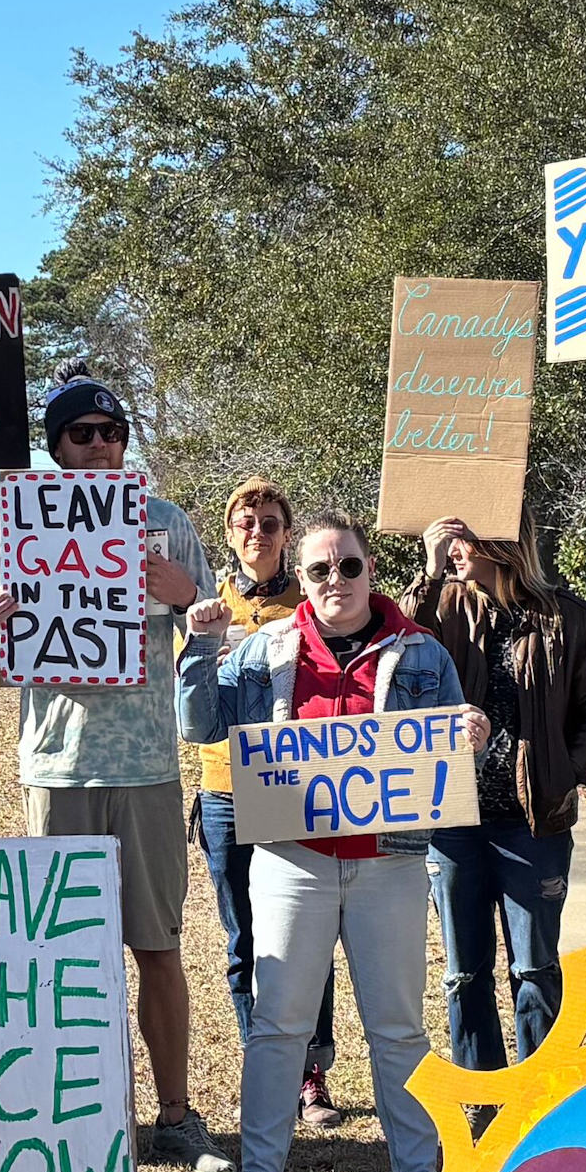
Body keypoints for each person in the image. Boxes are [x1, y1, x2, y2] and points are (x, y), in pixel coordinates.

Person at [179, 509, 468, 1172]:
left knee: (398, 1027)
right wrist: (200, 648)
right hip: (291, 859)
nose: (335, 579)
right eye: (319, 569)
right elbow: (200, 725)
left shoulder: (423, 654)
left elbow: (452, 753)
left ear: (371, 570)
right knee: (278, 1024)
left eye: (348, 565)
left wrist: (474, 736)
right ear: (301, 579)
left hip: (389, 863)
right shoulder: (263, 650)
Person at [0, 380, 210, 1166]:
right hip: (57, 769)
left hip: (147, 769)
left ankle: (174, 1115)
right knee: (59, 958)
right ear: (55, 446)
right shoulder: (21, 528)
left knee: (157, 947)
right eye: (81, 432)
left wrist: (185, 595)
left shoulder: (164, 522)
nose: (100, 443)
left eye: (111, 430)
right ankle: (75, 1120)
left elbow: (212, 631)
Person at [408, 510, 586, 1070]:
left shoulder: (570, 619)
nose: (454, 548)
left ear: (500, 540)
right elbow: (401, 647)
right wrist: (428, 572)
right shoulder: (445, 606)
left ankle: (539, 1097)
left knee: (535, 969)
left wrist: (565, 772)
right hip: (453, 819)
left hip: (533, 823)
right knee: (463, 972)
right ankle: (483, 1094)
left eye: (463, 538)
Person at [189, 474, 340, 1126]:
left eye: (271, 523)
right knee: (243, 939)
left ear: (287, 534)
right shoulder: (206, 604)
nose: (258, 532)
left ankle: (310, 1073)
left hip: (296, 788)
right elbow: (188, 701)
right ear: (229, 534)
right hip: (224, 789)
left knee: (308, 933)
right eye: (246, 523)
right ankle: (265, 1068)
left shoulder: (314, 599)